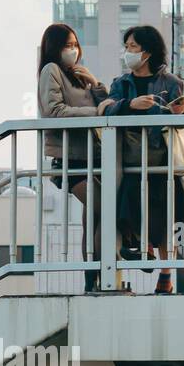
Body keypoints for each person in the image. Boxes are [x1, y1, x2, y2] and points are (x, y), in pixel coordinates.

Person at [104, 25, 184, 294]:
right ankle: (143, 250)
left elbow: (181, 122)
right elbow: (109, 110)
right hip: (130, 160)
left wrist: (178, 113)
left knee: (167, 219)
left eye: (133, 47)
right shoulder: (121, 83)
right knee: (132, 212)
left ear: (148, 51)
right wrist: (130, 105)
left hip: (162, 159)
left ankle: (165, 274)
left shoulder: (171, 82)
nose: (128, 52)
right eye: (127, 46)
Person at [37, 23, 110, 292]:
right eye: (67, 45)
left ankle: (94, 280)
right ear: (54, 47)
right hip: (70, 162)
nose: (73, 50)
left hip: (95, 159)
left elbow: (109, 106)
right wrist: (96, 114)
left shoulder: (77, 75)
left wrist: (94, 82)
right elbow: (54, 112)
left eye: (75, 44)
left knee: (95, 218)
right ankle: (100, 275)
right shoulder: (51, 71)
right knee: (107, 209)